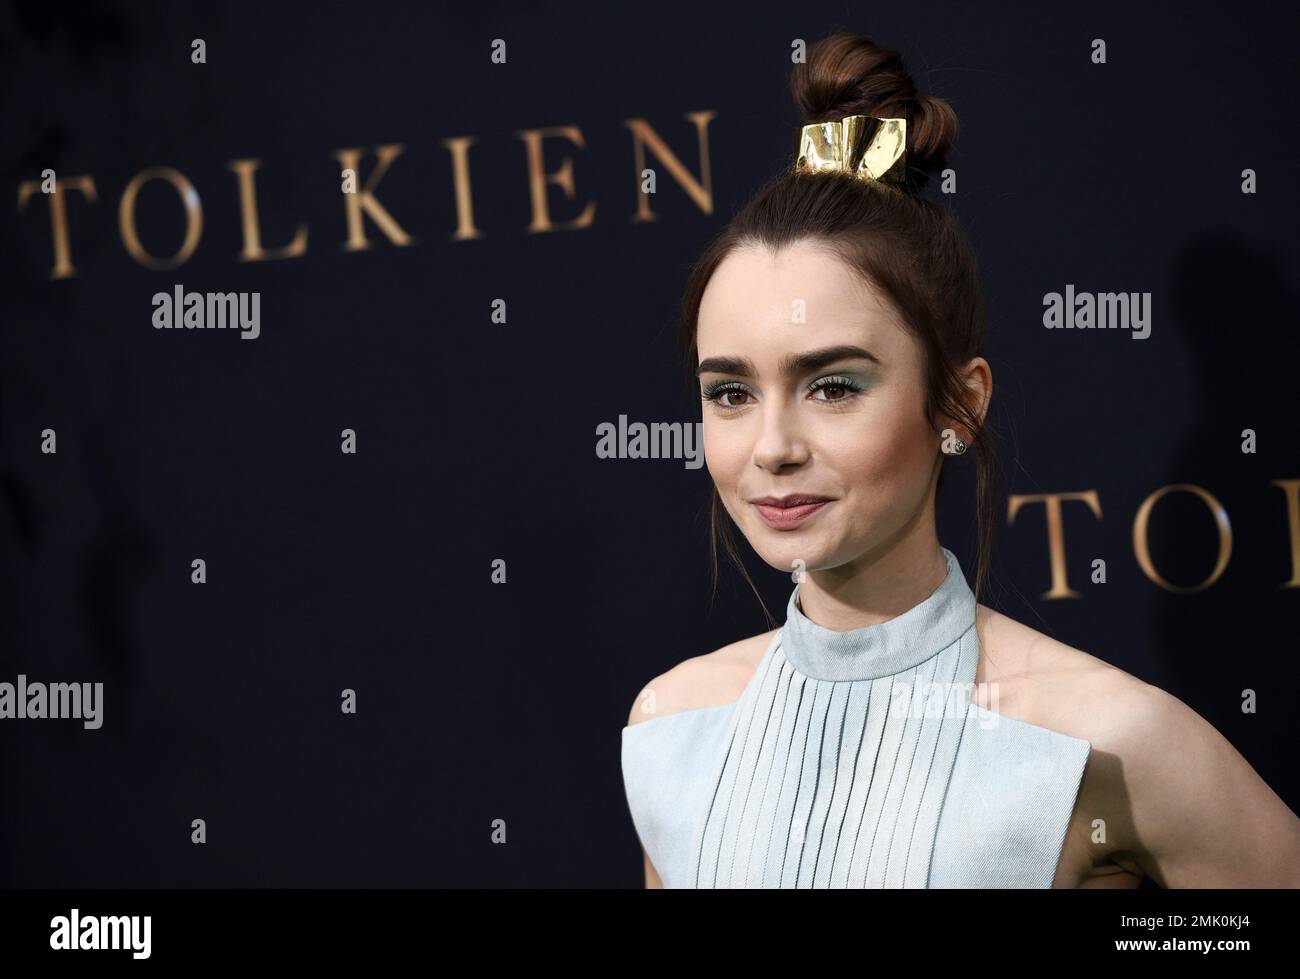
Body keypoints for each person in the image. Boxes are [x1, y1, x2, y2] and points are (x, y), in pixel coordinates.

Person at [620, 31, 1300, 888]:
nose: (774, 447)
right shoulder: (672, 730)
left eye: (833, 385)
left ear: (958, 405)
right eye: (730, 393)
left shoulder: (1103, 739)